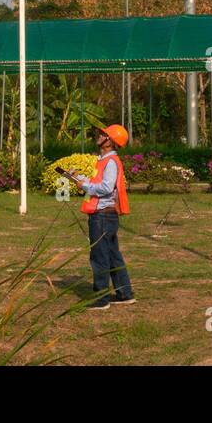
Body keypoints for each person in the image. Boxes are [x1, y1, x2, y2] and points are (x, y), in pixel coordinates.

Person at [71, 123, 135, 311]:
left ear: (110, 141)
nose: (99, 135)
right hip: (106, 216)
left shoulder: (111, 162)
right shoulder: (104, 161)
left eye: (103, 134)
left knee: (99, 257)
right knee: (113, 256)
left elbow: (107, 188)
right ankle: (125, 294)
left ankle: (101, 299)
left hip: (102, 217)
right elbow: (99, 183)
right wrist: (80, 178)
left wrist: (83, 186)